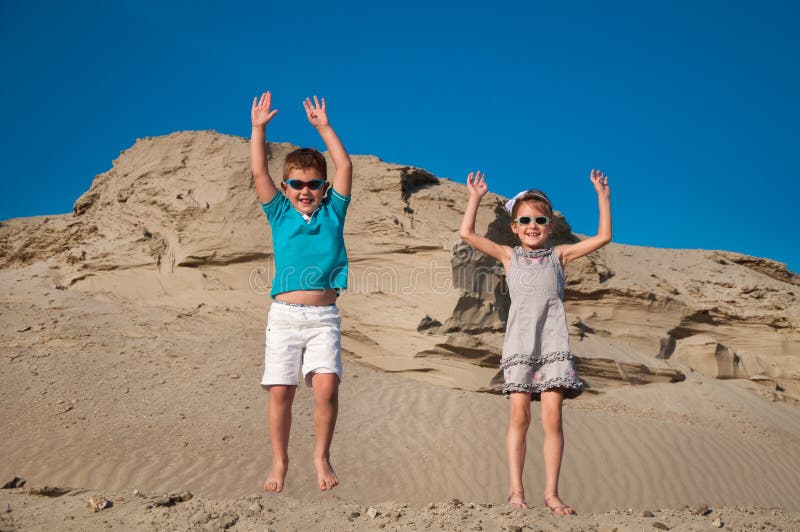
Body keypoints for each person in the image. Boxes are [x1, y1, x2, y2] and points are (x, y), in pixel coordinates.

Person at [458, 169, 611, 514]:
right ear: (514, 226)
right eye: (524, 220)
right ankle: (516, 491)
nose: (532, 225)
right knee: (520, 416)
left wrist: (602, 196)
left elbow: (603, 237)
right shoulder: (509, 256)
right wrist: (475, 198)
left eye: (540, 220)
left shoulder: (559, 256)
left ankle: (552, 494)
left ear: (550, 225)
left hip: (553, 346)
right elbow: (466, 233)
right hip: (520, 348)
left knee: (553, 418)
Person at [250, 91, 352, 493]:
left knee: (326, 387)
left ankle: (320, 455)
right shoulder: (278, 212)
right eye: (296, 184)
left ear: (324, 187)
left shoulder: (333, 211)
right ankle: (280, 461)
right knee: (282, 391)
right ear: (286, 186)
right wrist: (259, 128)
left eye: (313, 184)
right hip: (285, 318)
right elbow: (259, 173)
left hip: (323, 318)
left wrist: (323, 127)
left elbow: (343, 164)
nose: (305, 190)